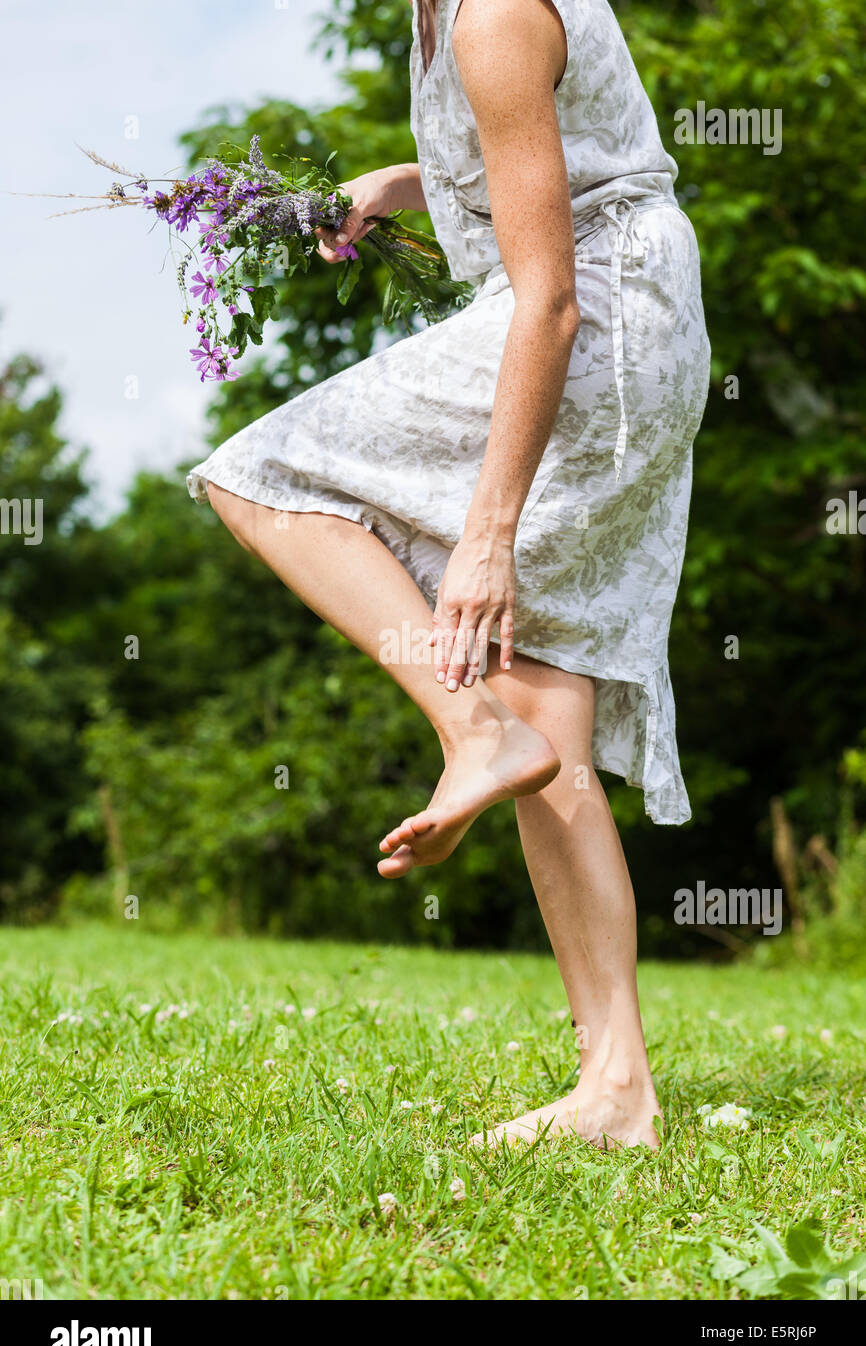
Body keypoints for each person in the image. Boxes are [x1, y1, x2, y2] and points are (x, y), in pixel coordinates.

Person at [186, 0, 711, 1149]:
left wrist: (486, 536)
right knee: (541, 697)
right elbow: (538, 166)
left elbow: (552, 300)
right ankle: (615, 1088)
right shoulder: (444, 16)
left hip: (602, 318)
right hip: (629, 321)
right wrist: (393, 183)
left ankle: (464, 728)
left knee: (260, 476)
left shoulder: (493, 13)